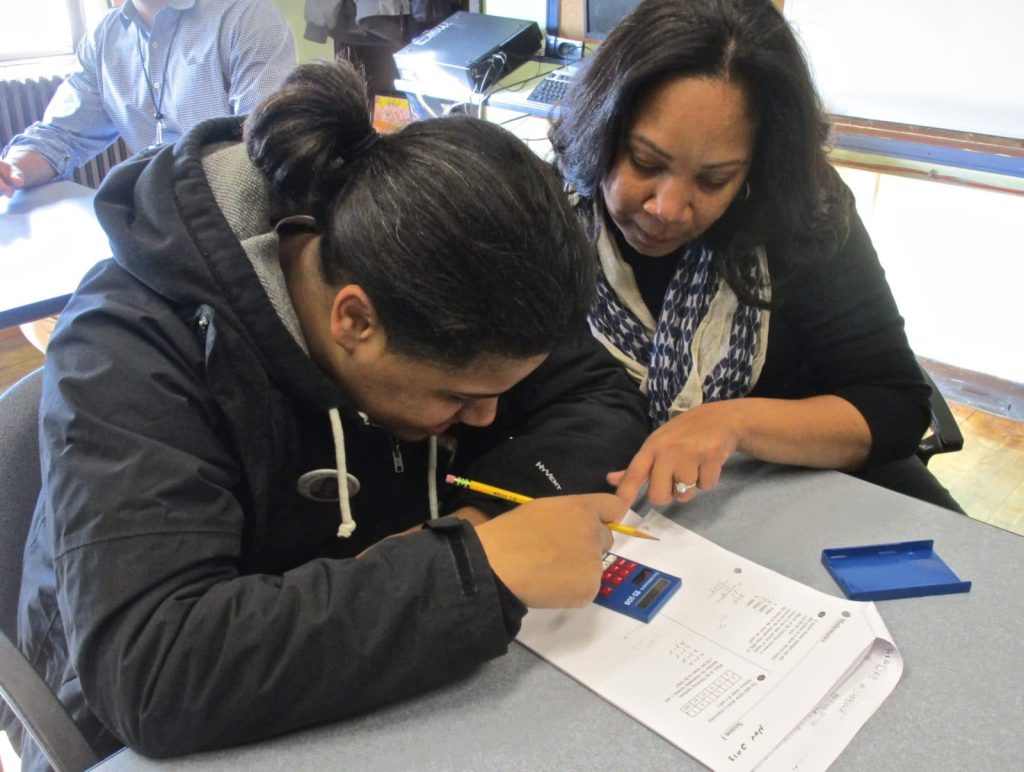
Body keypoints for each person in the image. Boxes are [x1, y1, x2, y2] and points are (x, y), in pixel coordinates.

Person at [6, 59, 647, 770]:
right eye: (458, 397)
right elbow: (156, 671)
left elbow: (600, 396)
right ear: (354, 320)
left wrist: (477, 523)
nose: (486, 415)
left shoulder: (460, 265)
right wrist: (476, 569)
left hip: (375, 674)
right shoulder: (131, 345)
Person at [550, 0, 963, 512]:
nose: (667, 208)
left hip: (802, 492)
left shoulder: (801, 216)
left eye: (714, 179)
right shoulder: (551, 214)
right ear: (601, 131)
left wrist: (732, 421)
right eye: (645, 161)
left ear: (755, 169)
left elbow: (894, 404)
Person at [0, 0, 297, 198]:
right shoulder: (104, 38)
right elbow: (60, 136)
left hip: (231, 218)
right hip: (157, 219)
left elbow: (260, 152)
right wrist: (11, 172)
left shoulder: (248, 18)